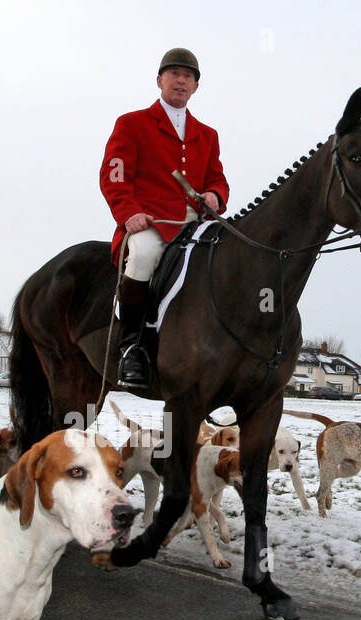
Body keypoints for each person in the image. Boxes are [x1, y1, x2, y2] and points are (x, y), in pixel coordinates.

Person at [99, 47, 230, 390]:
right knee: (143, 255)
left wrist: (215, 195)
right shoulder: (132, 123)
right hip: (150, 220)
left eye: (188, 76)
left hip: (196, 222)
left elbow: (217, 177)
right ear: (160, 80)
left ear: (196, 87)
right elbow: (114, 175)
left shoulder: (208, 134)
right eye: (174, 74)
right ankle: (131, 347)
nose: (181, 80)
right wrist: (128, 214)